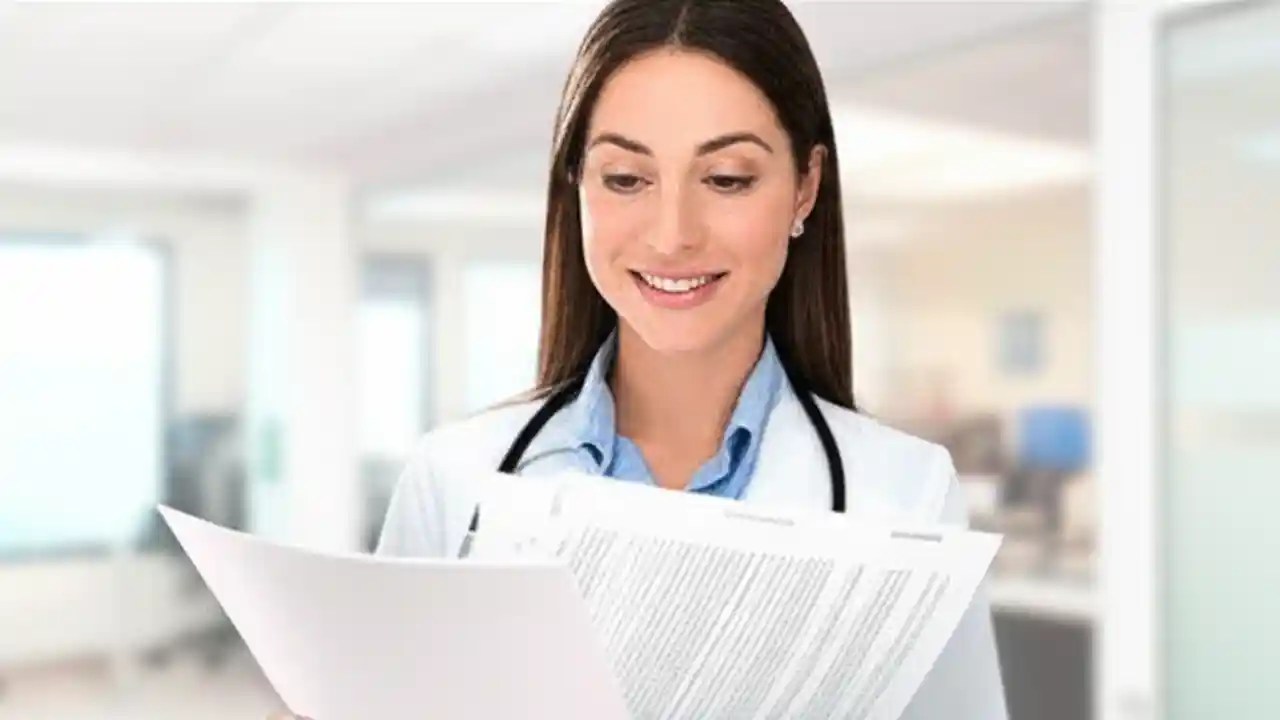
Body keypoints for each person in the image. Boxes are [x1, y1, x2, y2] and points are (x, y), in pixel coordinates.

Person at [278, 0, 1006, 717]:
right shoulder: (453, 480)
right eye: (626, 179)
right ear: (578, 188)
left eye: (726, 179)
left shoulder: (904, 494)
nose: (671, 235)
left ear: (805, 188)